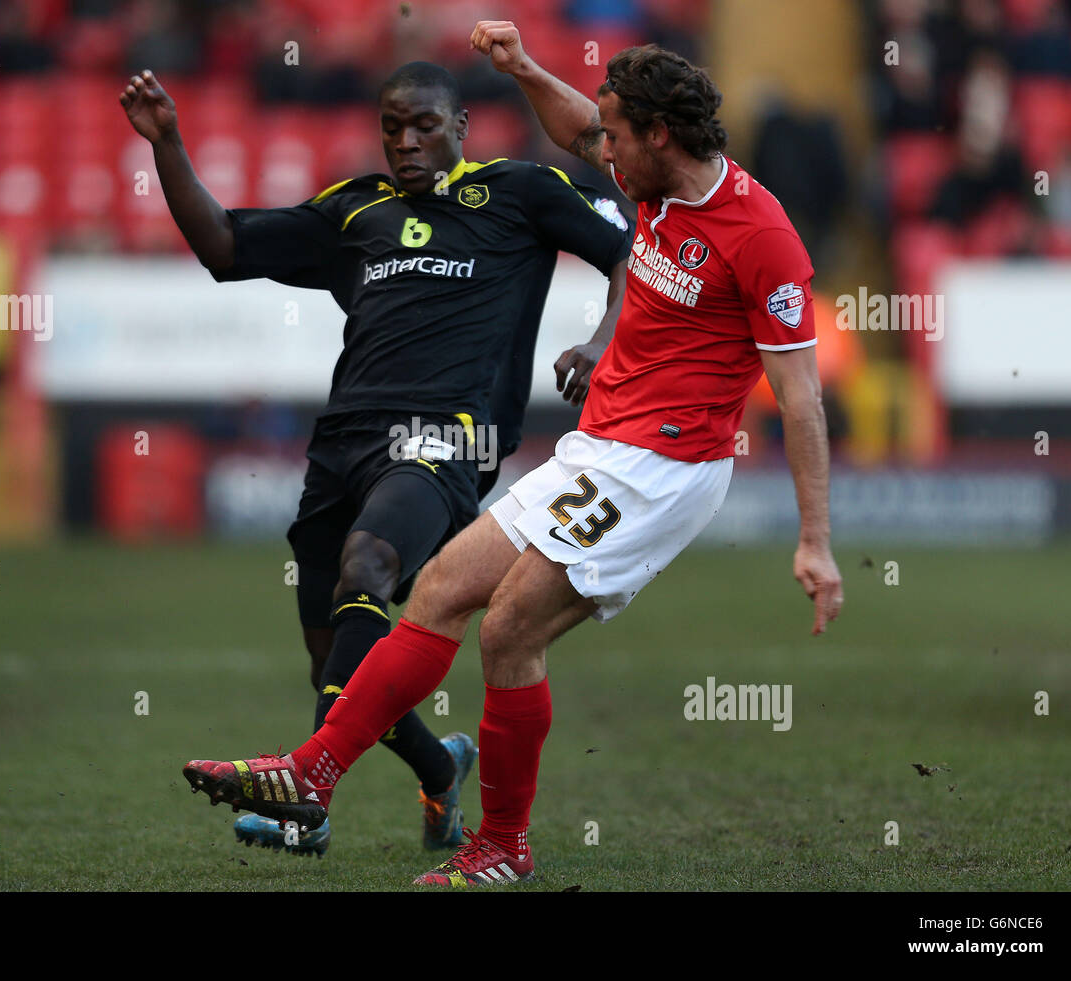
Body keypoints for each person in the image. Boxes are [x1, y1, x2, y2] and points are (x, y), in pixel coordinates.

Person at [182, 22, 846, 888]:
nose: (600, 151)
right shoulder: (652, 175)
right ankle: (311, 774)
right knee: (439, 590)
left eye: (616, 136)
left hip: (663, 470)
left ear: (658, 136)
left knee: (508, 631)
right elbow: (576, 127)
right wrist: (526, 67)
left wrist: (815, 539)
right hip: (599, 446)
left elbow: (801, 398)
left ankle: (502, 845)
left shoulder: (761, 236)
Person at [121, 61, 632, 857]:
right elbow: (223, 245)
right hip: (343, 442)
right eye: (393, 127)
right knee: (334, 657)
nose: (407, 141)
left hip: (449, 436)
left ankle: (307, 793)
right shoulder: (354, 208)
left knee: (369, 564)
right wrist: (168, 143)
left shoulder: (520, 192)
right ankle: (438, 767)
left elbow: (631, 251)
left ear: (461, 127)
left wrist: (604, 343)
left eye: (424, 125)